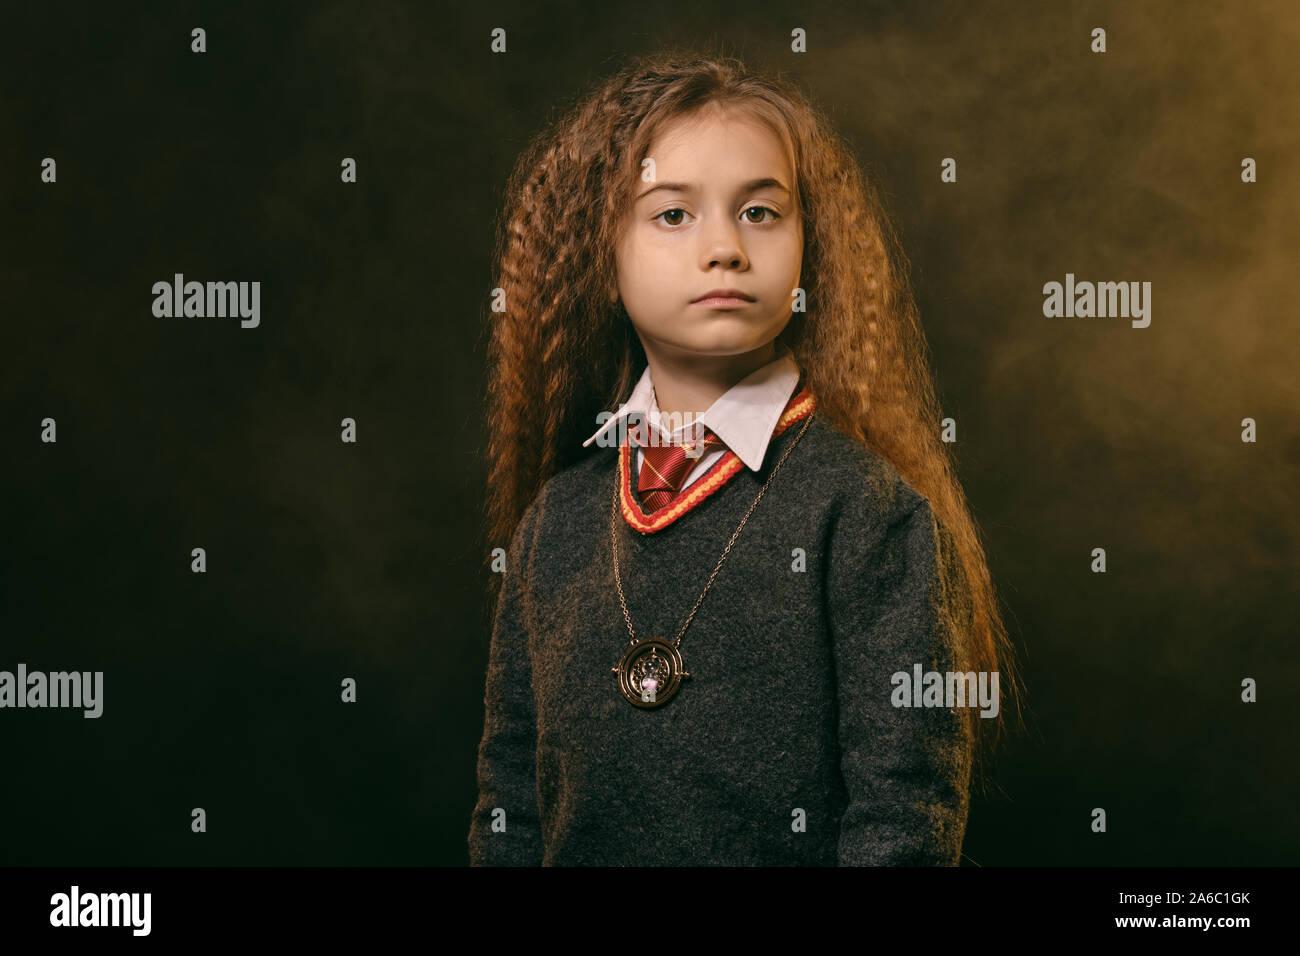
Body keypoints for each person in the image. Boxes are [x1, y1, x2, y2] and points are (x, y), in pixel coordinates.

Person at [469, 50, 1022, 866]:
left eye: (761, 212)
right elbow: (507, 806)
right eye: (672, 214)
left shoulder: (867, 513)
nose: (724, 247)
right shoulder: (555, 520)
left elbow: (900, 824)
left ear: (809, 244)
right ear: (602, 255)